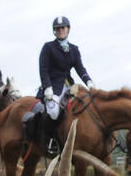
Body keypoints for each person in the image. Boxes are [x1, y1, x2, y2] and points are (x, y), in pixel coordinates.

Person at [24, 16, 94, 156]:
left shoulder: (74, 49)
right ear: (54, 31)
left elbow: (80, 68)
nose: (61, 30)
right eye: (58, 28)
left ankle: (78, 140)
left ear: (68, 29)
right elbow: (43, 69)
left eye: (63, 28)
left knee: (82, 106)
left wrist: (88, 81)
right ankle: (50, 141)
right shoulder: (48, 47)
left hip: (69, 85)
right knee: (54, 112)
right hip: (52, 87)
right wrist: (47, 86)